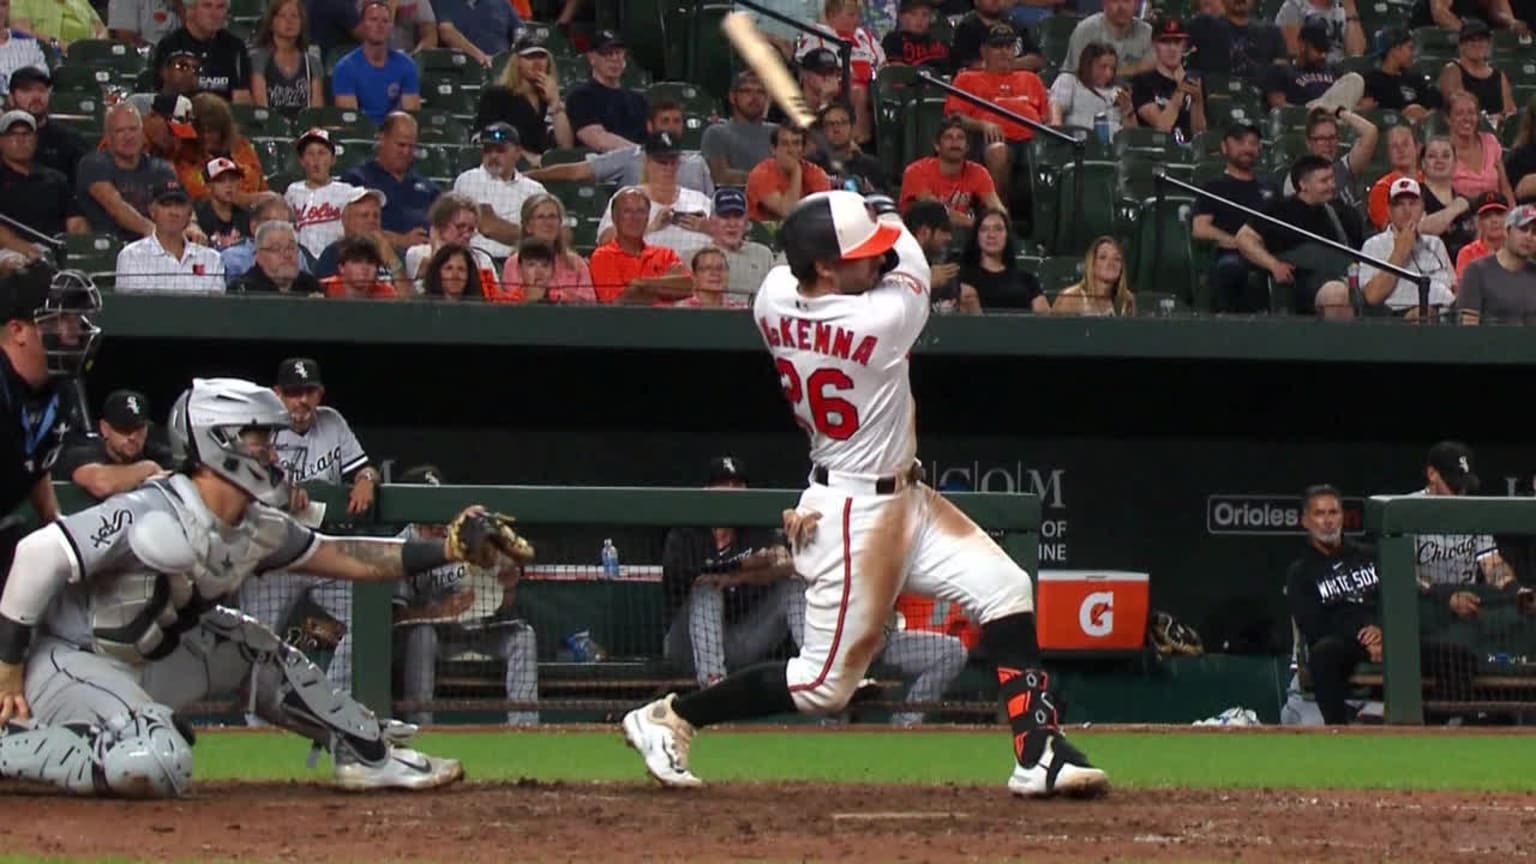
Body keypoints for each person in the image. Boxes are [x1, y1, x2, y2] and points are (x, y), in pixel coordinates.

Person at [622, 190, 1109, 797]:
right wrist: (883, 209)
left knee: (1006, 590)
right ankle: (670, 717)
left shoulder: (773, 299)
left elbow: (800, 256)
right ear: (824, 267)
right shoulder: (879, 321)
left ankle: (1038, 753)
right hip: (857, 515)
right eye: (859, 256)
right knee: (823, 688)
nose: (874, 262)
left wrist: (843, 216)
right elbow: (907, 257)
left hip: (905, 497)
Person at [0, 377, 533, 796]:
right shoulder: (150, 507)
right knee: (156, 760)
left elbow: (345, 556)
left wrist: (448, 549)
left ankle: (365, 755)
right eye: (260, 439)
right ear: (220, 443)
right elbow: (36, 554)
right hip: (67, 662)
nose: (273, 453)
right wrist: (8, 673)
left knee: (256, 646)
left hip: (142, 661)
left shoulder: (257, 525)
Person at [237, 356, 377, 696]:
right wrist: (281, 488)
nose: (301, 400)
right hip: (275, 555)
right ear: (277, 394)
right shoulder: (261, 427)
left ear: (320, 394)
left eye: (309, 391)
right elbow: (241, 483)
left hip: (321, 551)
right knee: (256, 638)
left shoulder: (332, 422)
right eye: (293, 392)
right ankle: (259, 726)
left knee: (368, 620)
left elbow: (363, 467)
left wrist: (367, 478)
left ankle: (332, 705)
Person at [1285, 483, 1476, 725]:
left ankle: (1426, 727)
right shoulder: (1301, 571)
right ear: (1305, 521)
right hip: (1343, 642)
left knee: (1459, 658)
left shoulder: (1371, 554)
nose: (1327, 521)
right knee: (1323, 655)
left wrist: (1382, 631)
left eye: (1333, 512)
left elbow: (1405, 592)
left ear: (1343, 516)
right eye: (1319, 514)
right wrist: (1362, 635)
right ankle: (1339, 730)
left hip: (1389, 635)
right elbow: (1312, 624)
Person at [393, 465, 537, 726]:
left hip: (476, 633)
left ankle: (525, 727)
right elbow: (395, 616)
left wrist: (507, 587)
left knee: (523, 636)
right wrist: (438, 612)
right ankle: (421, 725)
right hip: (434, 640)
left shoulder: (466, 537)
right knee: (421, 636)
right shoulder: (401, 546)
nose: (437, 517)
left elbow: (504, 604)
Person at [0, 263, 98, 594]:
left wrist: (54, 522)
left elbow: (36, 460)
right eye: (59, 319)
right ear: (18, 330)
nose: (74, 330)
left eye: (76, 319)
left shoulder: (61, 390)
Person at [1406, 442, 1520, 627]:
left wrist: (1515, 589)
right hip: (1425, 609)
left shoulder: (1471, 510)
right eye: (1453, 484)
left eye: (1464, 484)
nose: (1461, 491)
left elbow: (1492, 564)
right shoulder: (1407, 510)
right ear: (1432, 474)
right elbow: (1405, 576)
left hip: (1468, 606)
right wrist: (1447, 597)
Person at [1236, 154, 1361, 317]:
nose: (1332, 185)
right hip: (1303, 284)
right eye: (1324, 181)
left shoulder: (1341, 211)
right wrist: (1273, 265)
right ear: (1303, 184)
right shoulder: (1278, 209)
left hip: (1343, 275)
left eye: (1332, 179)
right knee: (1336, 295)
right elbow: (1244, 238)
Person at [946, 23, 1050, 203]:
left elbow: (1046, 119)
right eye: (997, 47)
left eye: (1008, 47)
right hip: (990, 140)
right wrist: (982, 124)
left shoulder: (1031, 79)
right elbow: (954, 117)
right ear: (984, 51)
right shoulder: (967, 79)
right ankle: (998, 213)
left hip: (1032, 143)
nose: (1004, 52)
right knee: (998, 151)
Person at [1193, 121, 1280, 313]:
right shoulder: (1214, 187)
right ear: (1225, 146)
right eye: (1240, 142)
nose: (1248, 148)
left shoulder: (1270, 188)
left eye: (1253, 143)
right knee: (1230, 269)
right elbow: (1200, 228)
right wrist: (1239, 242)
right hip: (1231, 254)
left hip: (1269, 253)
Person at [594, 132, 713, 262]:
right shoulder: (628, 197)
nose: (668, 168)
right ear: (647, 162)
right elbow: (604, 241)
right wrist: (649, 226)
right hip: (644, 273)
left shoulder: (699, 199)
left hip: (696, 273)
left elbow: (729, 238)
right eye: (662, 162)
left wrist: (708, 229)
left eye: (673, 161)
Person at [76, 103, 180, 242]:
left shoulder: (161, 169)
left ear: (142, 133)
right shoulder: (93, 165)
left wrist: (192, 226)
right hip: (109, 251)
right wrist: (154, 232)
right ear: (108, 137)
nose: (128, 136)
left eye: (133, 129)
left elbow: (179, 203)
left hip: (154, 248)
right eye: (120, 131)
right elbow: (116, 207)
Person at [1357, 178, 1456, 316]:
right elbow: (1372, 296)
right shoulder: (1374, 245)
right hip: (1400, 319)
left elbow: (1453, 287)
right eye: (1399, 204)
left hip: (1443, 316)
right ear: (1389, 211)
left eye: (1413, 203)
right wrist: (1401, 251)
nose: (1407, 210)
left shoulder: (1435, 243)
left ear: (1422, 209)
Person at [340, 113, 439, 249]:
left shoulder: (429, 188)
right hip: (372, 257)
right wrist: (401, 240)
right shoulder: (357, 179)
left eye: (411, 147)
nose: (406, 152)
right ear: (382, 139)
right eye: (401, 145)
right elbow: (352, 230)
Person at [474, 31, 573, 165]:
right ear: (517, 62)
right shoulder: (497, 95)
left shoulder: (549, 99)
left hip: (548, 170)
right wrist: (525, 157)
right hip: (509, 168)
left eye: (542, 57)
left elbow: (566, 147)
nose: (537, 62)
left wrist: (555, 103)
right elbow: (482, 138)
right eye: (530, 57)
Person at [0, 109, 87, 260]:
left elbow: (75, 222)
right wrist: (28, 250)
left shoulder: (56, 179)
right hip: (10, 252)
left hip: (55, 252)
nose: (21, 140)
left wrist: (81, 248)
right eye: (13, 134)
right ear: (1, 141)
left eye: (26, 134)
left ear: (35, 140)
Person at [53, 389, 170, 501]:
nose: (133, 437)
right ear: (105, 429)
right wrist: (148, 468)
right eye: (124, 429)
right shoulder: (83, 452)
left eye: (138, 429)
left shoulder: (158, 455)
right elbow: (101, 484)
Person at [114, 181, 226, 295]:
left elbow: (215, 309)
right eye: (166, 205)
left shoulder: (212, 259)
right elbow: (130, 308)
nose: (173, 212)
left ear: (189, 213)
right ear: (152, 211)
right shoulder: (132, 256)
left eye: (180, 205)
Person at [586, 186, 691, 304]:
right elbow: (619, 304)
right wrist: (664, 285)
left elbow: (689, 286)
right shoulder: (602, 256)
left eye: (640, 211)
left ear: (647, 218)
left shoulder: (666, 254)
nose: (634, 218)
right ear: (615, 218)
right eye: (627, 211)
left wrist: (641, 284)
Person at [898, 117, 1005, 229]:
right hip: (920, 233)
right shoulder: (916, 171)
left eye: (960, 138)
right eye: (949, 137)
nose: (955, 142)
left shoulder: (978, 172)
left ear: (967, 147)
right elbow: (937, 212)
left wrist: (999, 222)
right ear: (937, 146)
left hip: (959, 232)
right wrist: (979, 225)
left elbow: (997, 208)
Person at [331, 0, 421, 124]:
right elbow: (350, 123)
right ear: (362, 25)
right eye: (373, 19)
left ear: (391, 27)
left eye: (385, 21)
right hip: (362, 136)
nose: (380, 25)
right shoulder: (345, 68)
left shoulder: (407, 65)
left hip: (394, 135)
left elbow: (410, 119)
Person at [147, 0, 252, 103]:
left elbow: (241, 99)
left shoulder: (235, 47)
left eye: (220, 7)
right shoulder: (169, 46)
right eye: (207, 6)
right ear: (191, 10)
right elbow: (160, 96)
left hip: (221, 117)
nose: (214, 14)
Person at [497, 193, 593, 303]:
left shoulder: (576, 263)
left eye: (552, 217)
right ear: (528, 226)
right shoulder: (514, 263)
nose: (548, 223)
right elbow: (511, 304)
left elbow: (589, 304)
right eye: (541, 217)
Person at [5, 66, 88, 188]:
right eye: (27, 90)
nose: (36, 96)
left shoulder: (69, 140)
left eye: (41, 90)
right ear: (11, 99)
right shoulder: (3, 138)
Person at [565, 30, 647, 152]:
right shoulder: (581, 96)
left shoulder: (638, 99)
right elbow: (598, 140)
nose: (614, 58)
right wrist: (639, 152)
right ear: (592, 58)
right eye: (607, 53)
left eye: (618, 53)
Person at [1280, 107, 1377, 209]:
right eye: (1321, 138)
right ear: (1309, 143)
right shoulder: (1298, 176)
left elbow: (1370, 131)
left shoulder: (1346, 167)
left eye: (1332, 137)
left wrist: (1339, 112)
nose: (1328, 144)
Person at [1456, 202, 1536, 324]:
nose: (1529, 237)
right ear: (1507, 231)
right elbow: (1467, 328)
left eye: (1535, 232)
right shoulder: (1477, 271)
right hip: (1489, 342)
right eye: (1523, 229)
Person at [285, 128, 357, 260]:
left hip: (335, 259)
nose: (315, 160)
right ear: (301, 161)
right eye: (310, 154)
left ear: (333, 159)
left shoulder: (347, 191)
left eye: (322, 153)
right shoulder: (293, 191)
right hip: (301, 261)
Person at [958, 207, 1046, 313]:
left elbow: (1044, 319)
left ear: (1007, 235)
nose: (991, 235)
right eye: (984, 229)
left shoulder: (1027, 280)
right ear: (977, 236)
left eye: (998, 229)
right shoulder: (963, 278)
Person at [1131, 18, 1206, 140]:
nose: (1172, 48)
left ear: (1184, 45)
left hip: (1189, 154)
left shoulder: (1195, 81)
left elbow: (1199, 135)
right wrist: (1179, 93)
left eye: (1177, 42)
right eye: (1165, 41)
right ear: (1154, 44)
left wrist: (1197, 101)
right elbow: (1162, 128)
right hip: (1157, 153)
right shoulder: (1141, 82)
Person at [700, 71, 777, 188]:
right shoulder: (716, 133)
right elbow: (720, 176)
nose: (754, 97)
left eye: (760, 92)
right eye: (746, 91)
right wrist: (768, 178)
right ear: (732, 97)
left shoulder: (777, 132)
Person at [249, 0, 325, 115]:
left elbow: (316, 113)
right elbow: (261, 109)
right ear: (271, 23)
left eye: (295, 16)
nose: (290, 21)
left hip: (303, 130)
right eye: (283, 15)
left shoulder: (312, 62)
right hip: (270, 129)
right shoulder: (257, 59)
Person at [746, 125, 832, 222]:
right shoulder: (761, 174)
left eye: (796, 143)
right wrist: (796, 171)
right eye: (784, 144)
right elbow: (787, 212)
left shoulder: (816, 174)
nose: (791, 150)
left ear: (803, 150)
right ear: (773, 149)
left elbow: (823, 214)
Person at [1436, 19, 1515, 123]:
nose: (1477, 44)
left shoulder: (1499, 75)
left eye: (1482, 40)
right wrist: (1487, 119)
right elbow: (1457, 108)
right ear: (1461, 45)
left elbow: (1510, 111)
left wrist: (1501, 118)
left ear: (1488, 44)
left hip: (1496, 132)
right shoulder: (1452, 70)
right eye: (1472, 40)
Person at [1186, 0, 1286, 81]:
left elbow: (1280, 77)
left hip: (1257, 100)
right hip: (1215, 98)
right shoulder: (1202, 26)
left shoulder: (1272, 33)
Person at [1048, 43, 1134, 133]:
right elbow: (1056, 113)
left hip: (1114, 144)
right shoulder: (1069, 81)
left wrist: (1127, 110)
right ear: (1088, 65)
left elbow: (1132, 135)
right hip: (1080, 142)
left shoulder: (1118, 92)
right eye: (1102, 67)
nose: (1109, 74)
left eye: (1112, 69)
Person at [1445, 90, 1513, 202]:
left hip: (1496, 212)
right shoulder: (1442, 151)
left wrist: (1512, 216)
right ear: (1448, 119)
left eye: (1471, 113)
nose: (1466, 118)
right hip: (1462, 215)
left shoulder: (1490, 141)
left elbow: (1505, 187)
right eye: (1459, 113)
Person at [1359, 27, 1439, 123]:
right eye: (1410, 48)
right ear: (1395, 50)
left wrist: (1424, 113)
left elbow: (1436, 108)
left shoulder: (1415, 79)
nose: (1413, 54)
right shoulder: (1371, 80)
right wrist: (1401, 117)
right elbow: (1368, 115)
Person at [707, 188, 774, 299]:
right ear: (711, 220)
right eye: (725, 216)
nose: (732, 224)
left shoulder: (763, 254)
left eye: (737, 216)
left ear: (746, 221)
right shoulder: (699, 256)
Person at [807, 102, 886, 195]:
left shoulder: (871, 166)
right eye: (830, 124)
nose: (836, 129)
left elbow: (883, 202)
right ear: (822, 130)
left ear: (852, 128)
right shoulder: (811, 166)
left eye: (843, 123)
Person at [231, 219, 323, 295]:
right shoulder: (243, 290)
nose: (287, 255)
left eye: (291, 247)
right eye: (276, 248)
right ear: (258, 256)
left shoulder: (311, 286)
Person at [1064, 0, 1154, 76]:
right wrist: (1134, 69)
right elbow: (1072, 75)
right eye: (1114, 1)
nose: (1121, 7)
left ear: (1137, 4)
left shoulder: (1147, 33)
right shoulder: (1085, 31)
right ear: (1104, 3)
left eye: (1127, 1)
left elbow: (1152, 70)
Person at [1054, 236, 1134, 315]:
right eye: (1103, 257)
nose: (1111, 263)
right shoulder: (1071, 298)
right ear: (1092, 263)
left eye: (1117, 259)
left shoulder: (1126, 299)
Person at [1366, 125, 1422, 230]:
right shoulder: (1381, 189)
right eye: (1394, 146)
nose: (1400, 150)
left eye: (1405, 144)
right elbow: (1389, 229)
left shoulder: (1430, 180)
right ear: (1388, 153)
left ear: (1417, 148)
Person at [1273, 0, 1365, 63]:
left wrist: (1350, 9)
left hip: (1343, 75)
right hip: (1310, 77)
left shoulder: (1343, 9)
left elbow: (1356, 55)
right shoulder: (1293, 7)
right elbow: (1294, 55)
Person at [193, 156, 250, 251]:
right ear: (209, 186)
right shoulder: (198, 214)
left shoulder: (246, 216)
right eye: (221, 180)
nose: (229, 185)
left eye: (232, 179)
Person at [320, 233, 398, 298]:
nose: (364, 268)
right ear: (341, 268)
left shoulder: (387, 294)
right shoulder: (324, 289)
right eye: (356, 261)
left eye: (370, 262)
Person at [881, 0, 949, 71]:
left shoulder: (938, 42)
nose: (920, 19)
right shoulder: (893, 40)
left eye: (925, 14)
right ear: (901, 17)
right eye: (913, 14)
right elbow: (896, 69)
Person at [10, 0, 106, 49]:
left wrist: (95, 48)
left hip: (86, 60)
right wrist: (59, 46)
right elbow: (21, 32)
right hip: (47, 60)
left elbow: (101, 29)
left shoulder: (80, 1)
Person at [1455, 192, 1508, 278]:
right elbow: (1464, 288)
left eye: (1499, 214)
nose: (1494, 220)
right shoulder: (1467, 253)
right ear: (1478, 222)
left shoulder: (1518, 249)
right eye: (1487, 216)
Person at [674, 246, 745, 308]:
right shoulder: (682, 310)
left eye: (720, 268)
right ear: (694, 276)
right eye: (707, 268)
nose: (715, 273)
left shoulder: (741, 311)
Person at [421, 241, 485, 300]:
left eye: (461, 269)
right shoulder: (421, 306)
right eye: (449, 268)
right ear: (437, 272)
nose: (455, 275)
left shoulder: (481, 308)